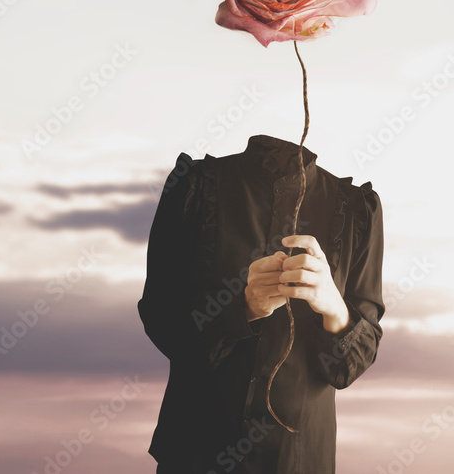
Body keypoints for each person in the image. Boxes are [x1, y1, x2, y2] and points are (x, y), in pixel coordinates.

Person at [139, 134, 385, 473]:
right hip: (195, 452)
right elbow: (160, 319)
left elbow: (351, 366)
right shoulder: (192, 186)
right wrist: (242, 308)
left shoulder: (357, 208)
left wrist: (334, 307)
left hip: (298, 459)